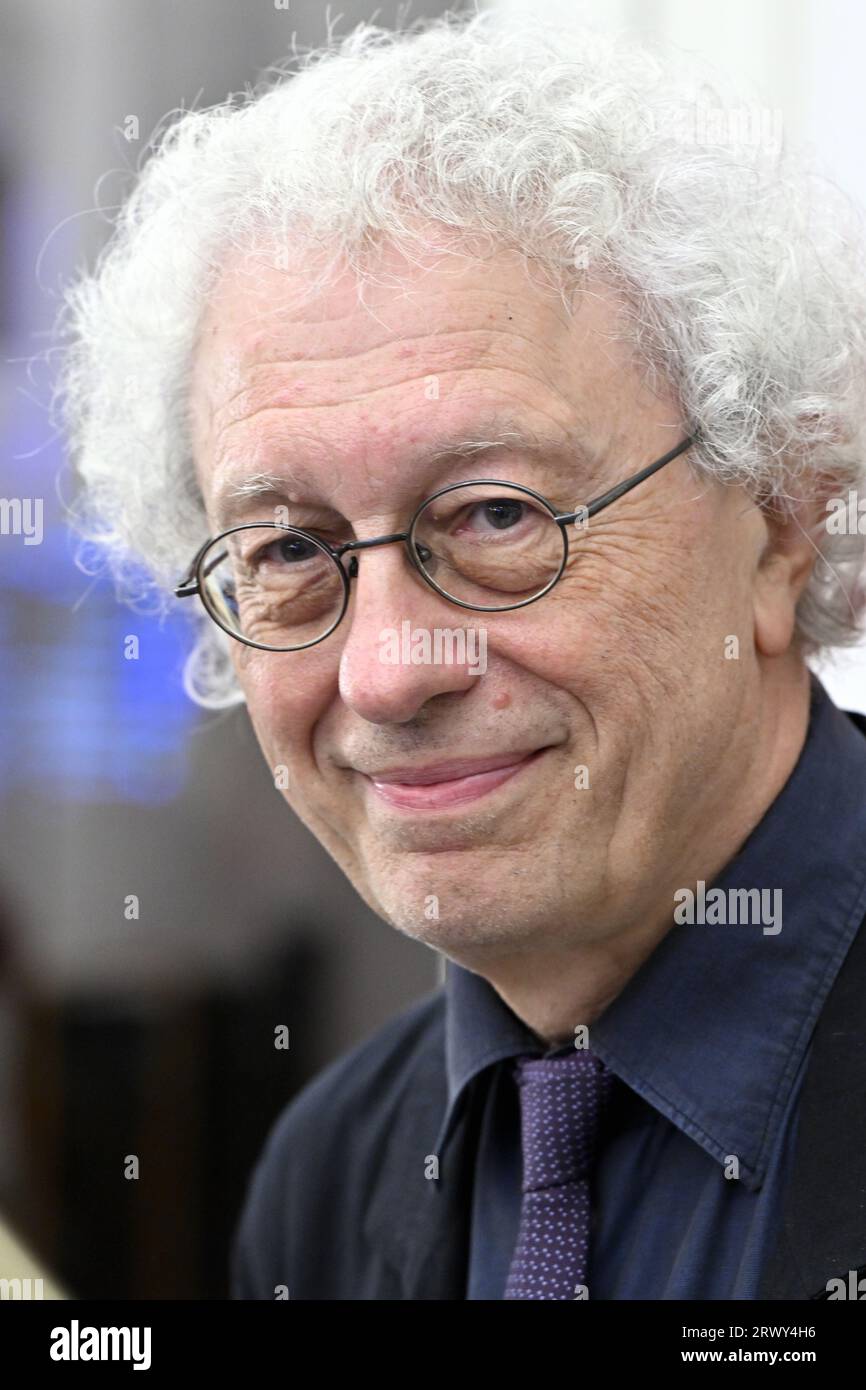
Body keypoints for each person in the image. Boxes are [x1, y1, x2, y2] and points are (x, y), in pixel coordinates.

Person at [57, 11, 866, 1299]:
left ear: (778, 519)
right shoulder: (323, 1181)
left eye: (497, 515)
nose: (384, 671)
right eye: (288, 549)